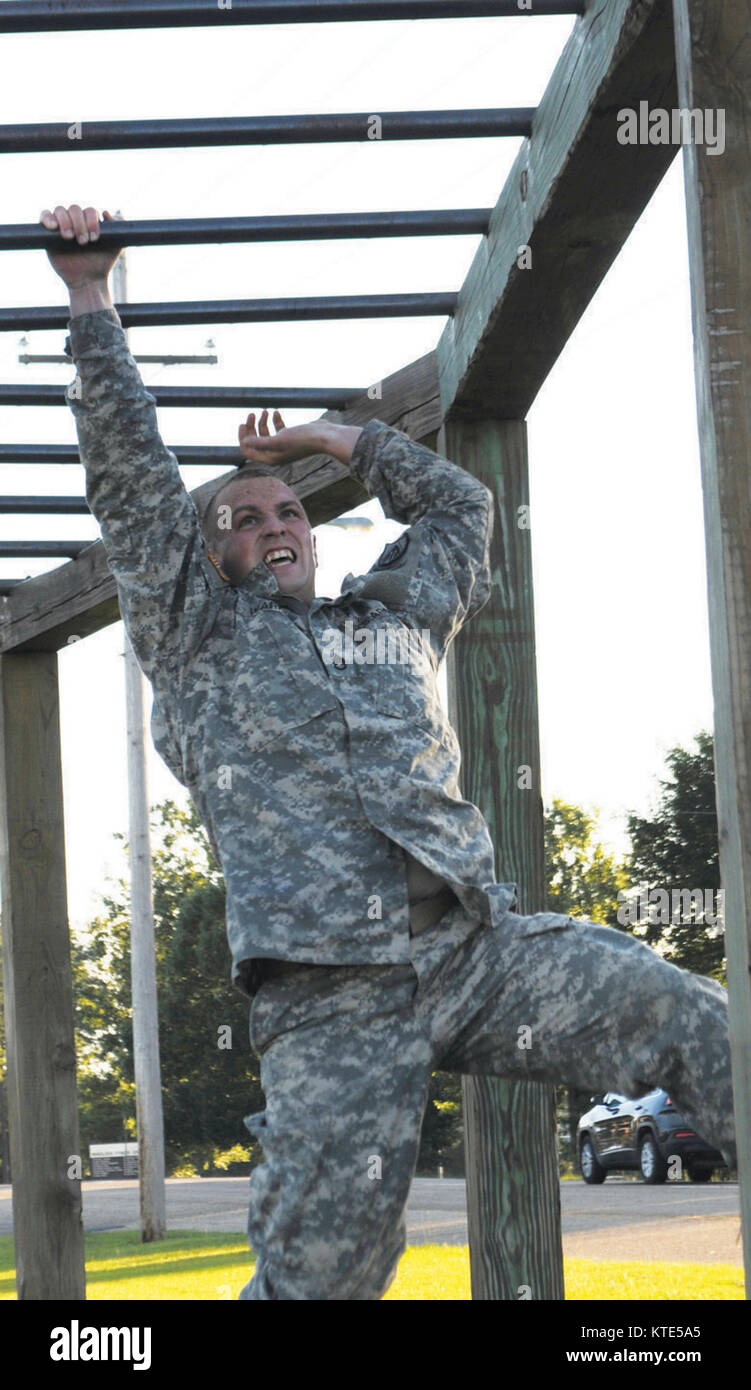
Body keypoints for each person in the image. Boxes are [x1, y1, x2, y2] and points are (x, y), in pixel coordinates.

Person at [42, 203, 737, 1301]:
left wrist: (332, 441)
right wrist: (92, 299)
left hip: (477, 951)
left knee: (698, 1019)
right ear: (213, 553)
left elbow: (463, 507)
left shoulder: (392, 618)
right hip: (330, 997)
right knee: (325, 1278)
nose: (272, 523)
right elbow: (130, 486)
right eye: (243, 516)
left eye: (290, 513)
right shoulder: (200, 641)